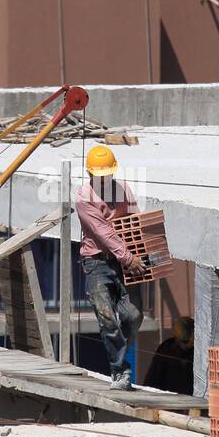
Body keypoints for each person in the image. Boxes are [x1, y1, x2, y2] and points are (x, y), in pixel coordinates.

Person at [75, 145, 145, 390]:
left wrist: (143, 252)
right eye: (99, 175)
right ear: (90, 173)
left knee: (133, 316)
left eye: (107, 175)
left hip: (123, 260)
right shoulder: (84, 198)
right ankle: (120, 371)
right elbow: (103, 232)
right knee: (107, 317)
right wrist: (128, 258)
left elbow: (135, 220)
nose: (103, 179)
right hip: (97, 262)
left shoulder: (123, 188)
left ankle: (118, 350)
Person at [145, 316, 195, 395]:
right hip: (168, 398)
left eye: (192, 343)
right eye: (185, 342)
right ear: (177, 338)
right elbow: (152, 377)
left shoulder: (197, 352)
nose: (188, 346)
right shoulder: (165, 349)